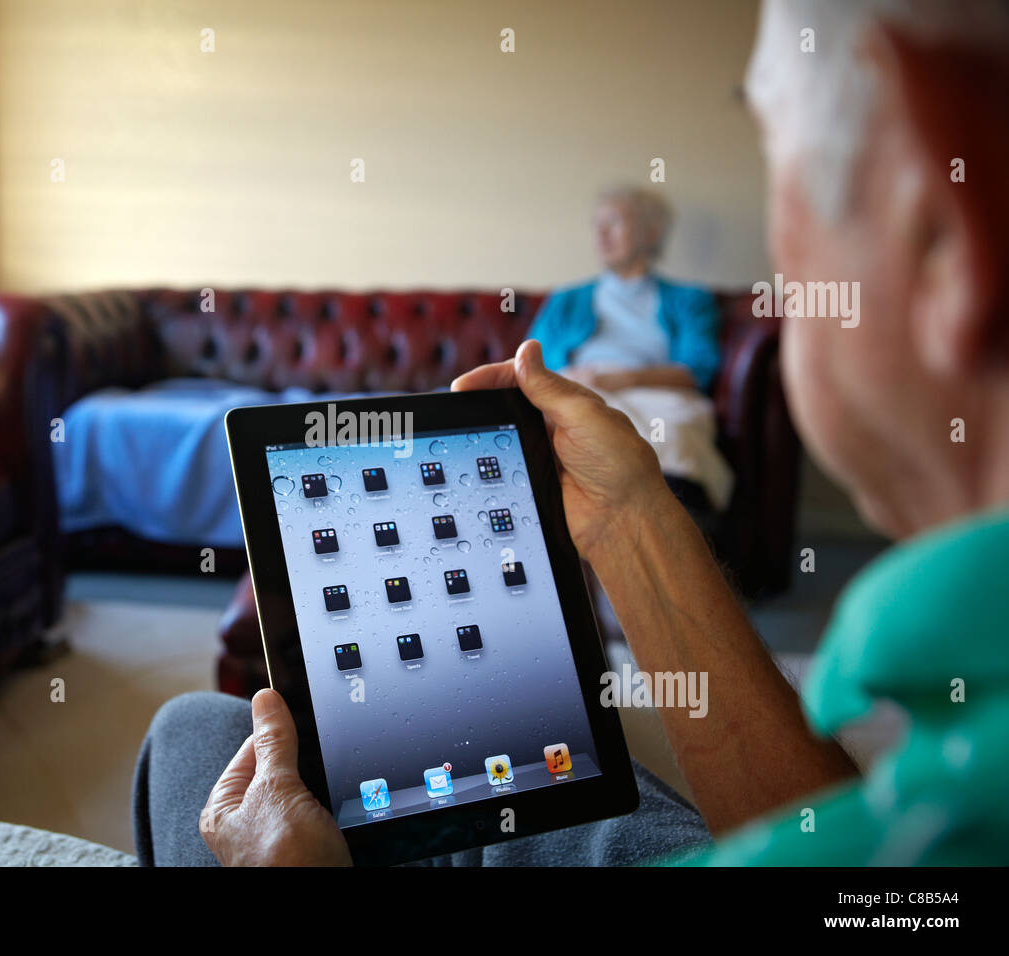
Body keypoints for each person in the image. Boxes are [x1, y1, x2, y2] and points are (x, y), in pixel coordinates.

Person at [133, 0, 1009, 866]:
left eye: (772, 147)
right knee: (484, 774)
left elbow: (689, 368)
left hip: (646, 397)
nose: (607, 234)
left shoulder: (678, 303)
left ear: (934, 209)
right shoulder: (926, 805)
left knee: (195, 733)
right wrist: (629, 512)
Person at [528, 187, 732, 519]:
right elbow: (533, 362)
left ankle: (670, 527)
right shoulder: (567, 299)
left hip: (651, 389)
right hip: (578, 384)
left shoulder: (690, 299)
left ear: (651, 232)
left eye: (615, 222)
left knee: (677, 427)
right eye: (597, 224)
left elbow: (698, 371)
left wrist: (625, 379)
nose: (601, 233)